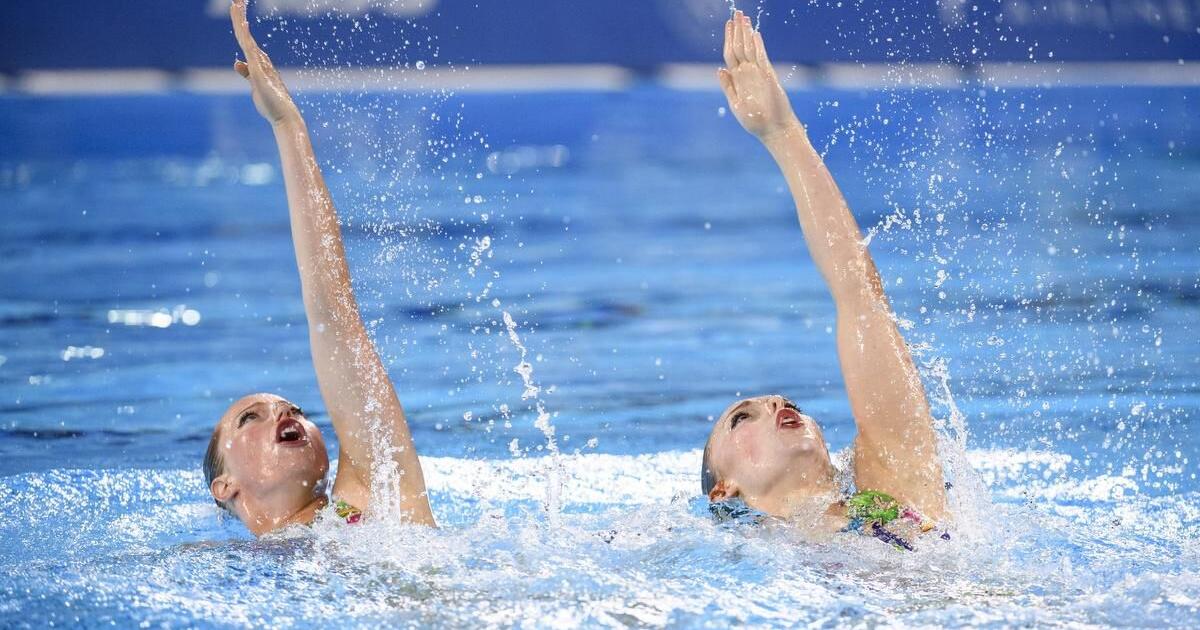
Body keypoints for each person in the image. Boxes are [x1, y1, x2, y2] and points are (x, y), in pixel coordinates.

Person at [701, 12, 948, 549]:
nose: (775, 406)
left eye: (778, 402)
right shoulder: (732, 560)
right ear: (724, 491)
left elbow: (859, 296)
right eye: (742, 418)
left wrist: (782, 133)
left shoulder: (893, 487)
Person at [202, 0, 435, 536]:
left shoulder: (374, 496)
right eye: (250, 418)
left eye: (296, 409)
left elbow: (333, 310)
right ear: (225, 486)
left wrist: (287, 124)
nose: (285, 415)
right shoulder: (209, 567)